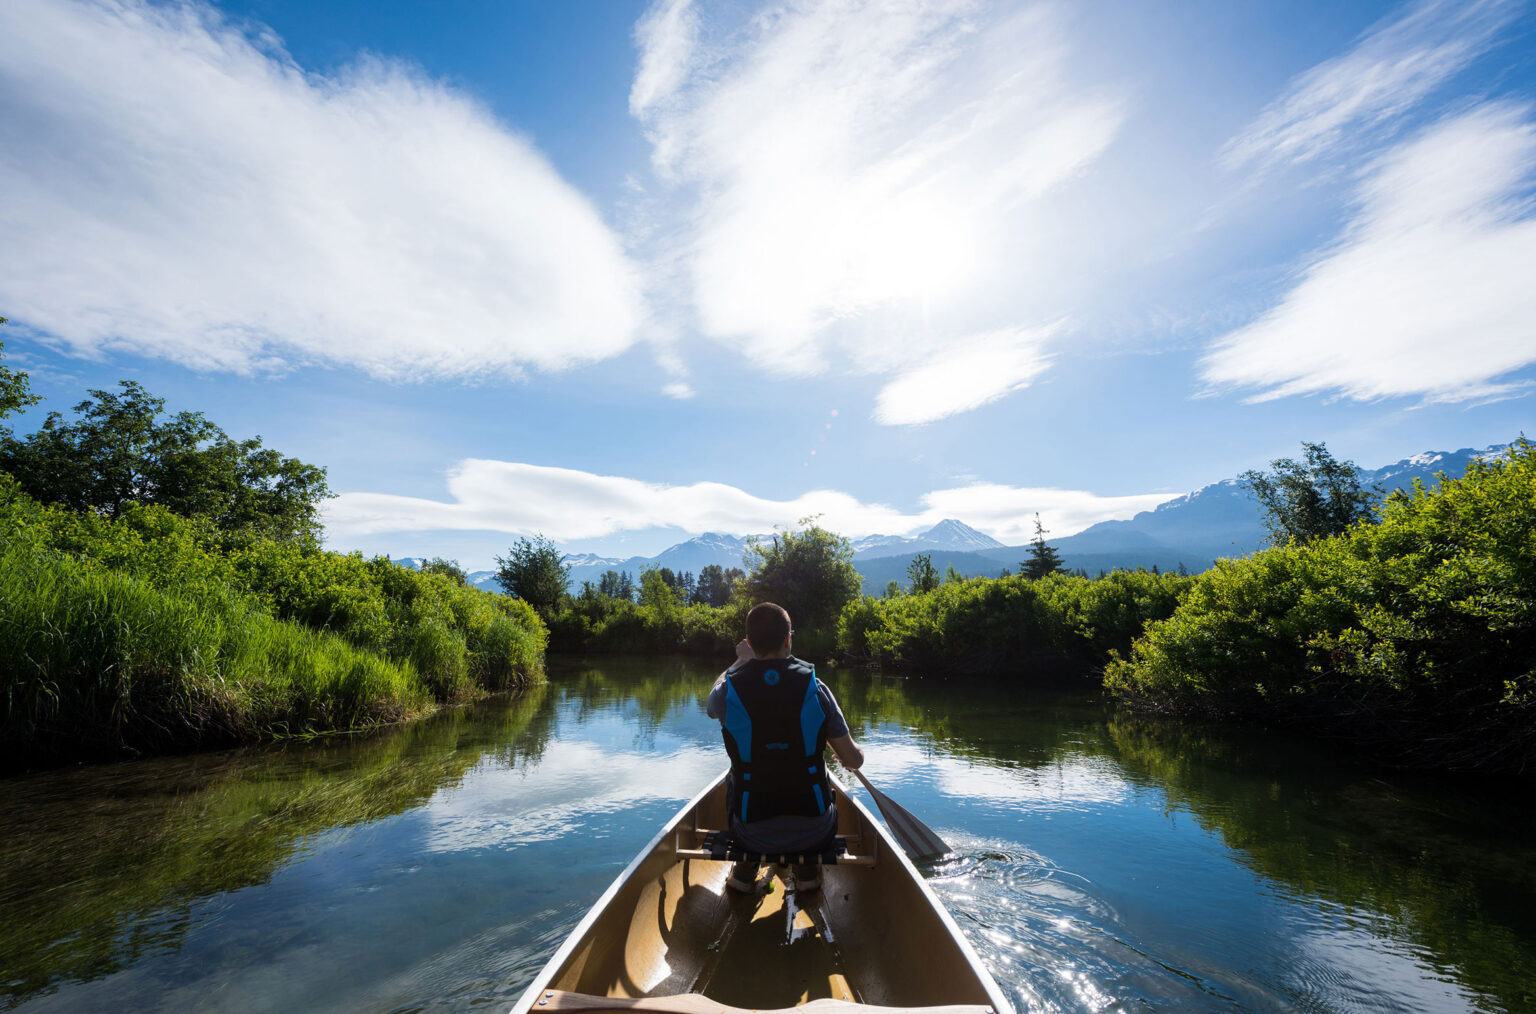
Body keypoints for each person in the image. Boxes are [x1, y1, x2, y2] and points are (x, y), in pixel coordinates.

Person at [705, 602, 864, 894]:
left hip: (750, 834)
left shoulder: (728, 691)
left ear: (750, 644)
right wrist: (851, 753)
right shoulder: (817, 688)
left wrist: (739, 662)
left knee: (734, 775)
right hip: (815, 833)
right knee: (823, 776)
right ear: (788, 639)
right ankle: (806, 871)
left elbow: (711, 705)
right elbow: (854, 760)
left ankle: (745, 867)